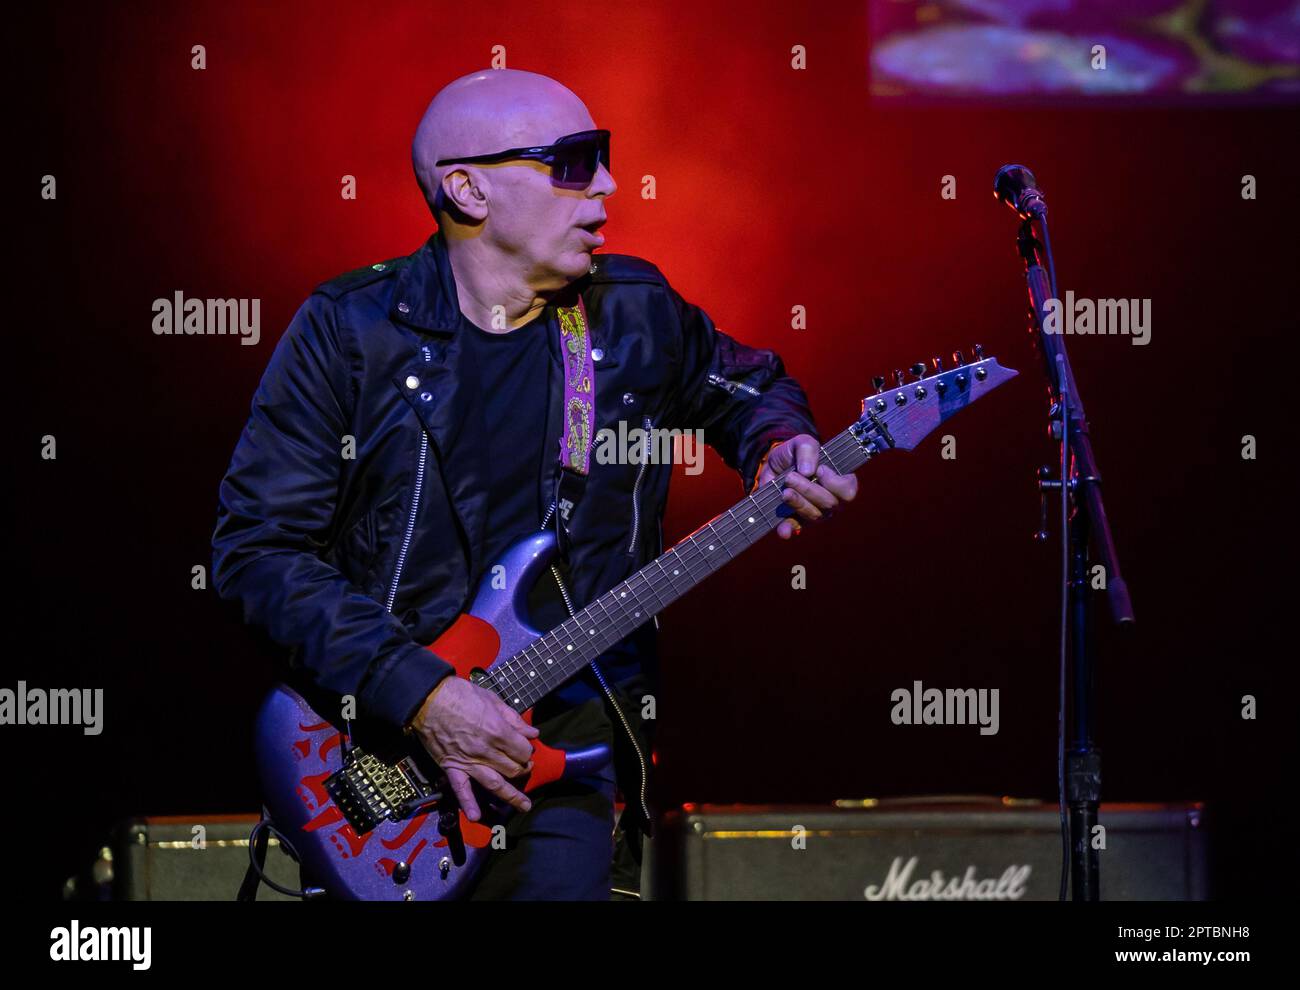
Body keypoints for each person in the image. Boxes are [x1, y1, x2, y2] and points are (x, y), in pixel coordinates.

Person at [212, 67, 858, 900]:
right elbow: (258, 551)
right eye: (574, 162)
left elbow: (749, 386)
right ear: (468, 189)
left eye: (605, 158)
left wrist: (778, 442)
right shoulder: (351, 332)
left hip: (566, 744)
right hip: (388, 753)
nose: (608, 186)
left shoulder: (633, 313)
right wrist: (422, 694)